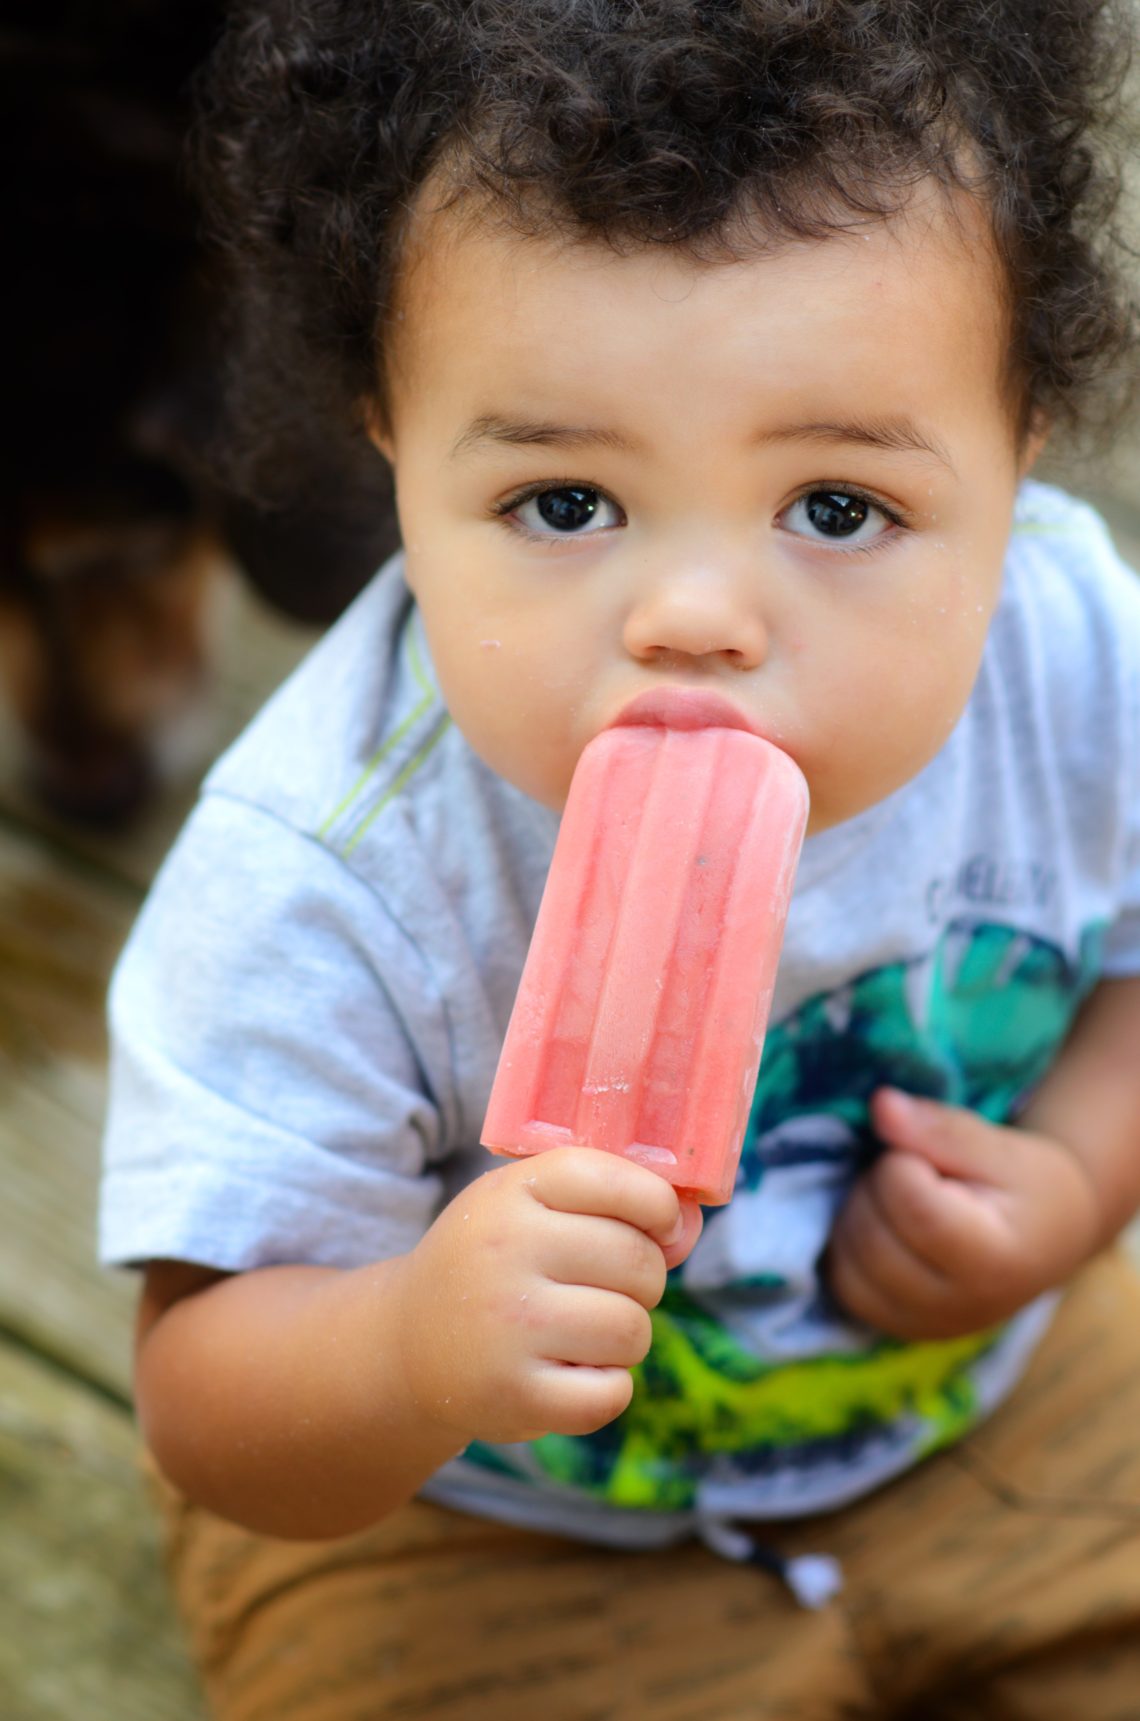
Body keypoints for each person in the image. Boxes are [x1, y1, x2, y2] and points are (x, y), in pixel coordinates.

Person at [99, 2, 1140, 1715]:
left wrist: (1080, 1184)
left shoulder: (1071, 653)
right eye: (568, 502)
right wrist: (414, 1340)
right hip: (469, 1517)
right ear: (390, 437)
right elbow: (209, 1406)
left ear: (1025, 444)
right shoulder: (330, 878)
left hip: (983, 1391)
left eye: (836, 506)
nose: (695, 618)